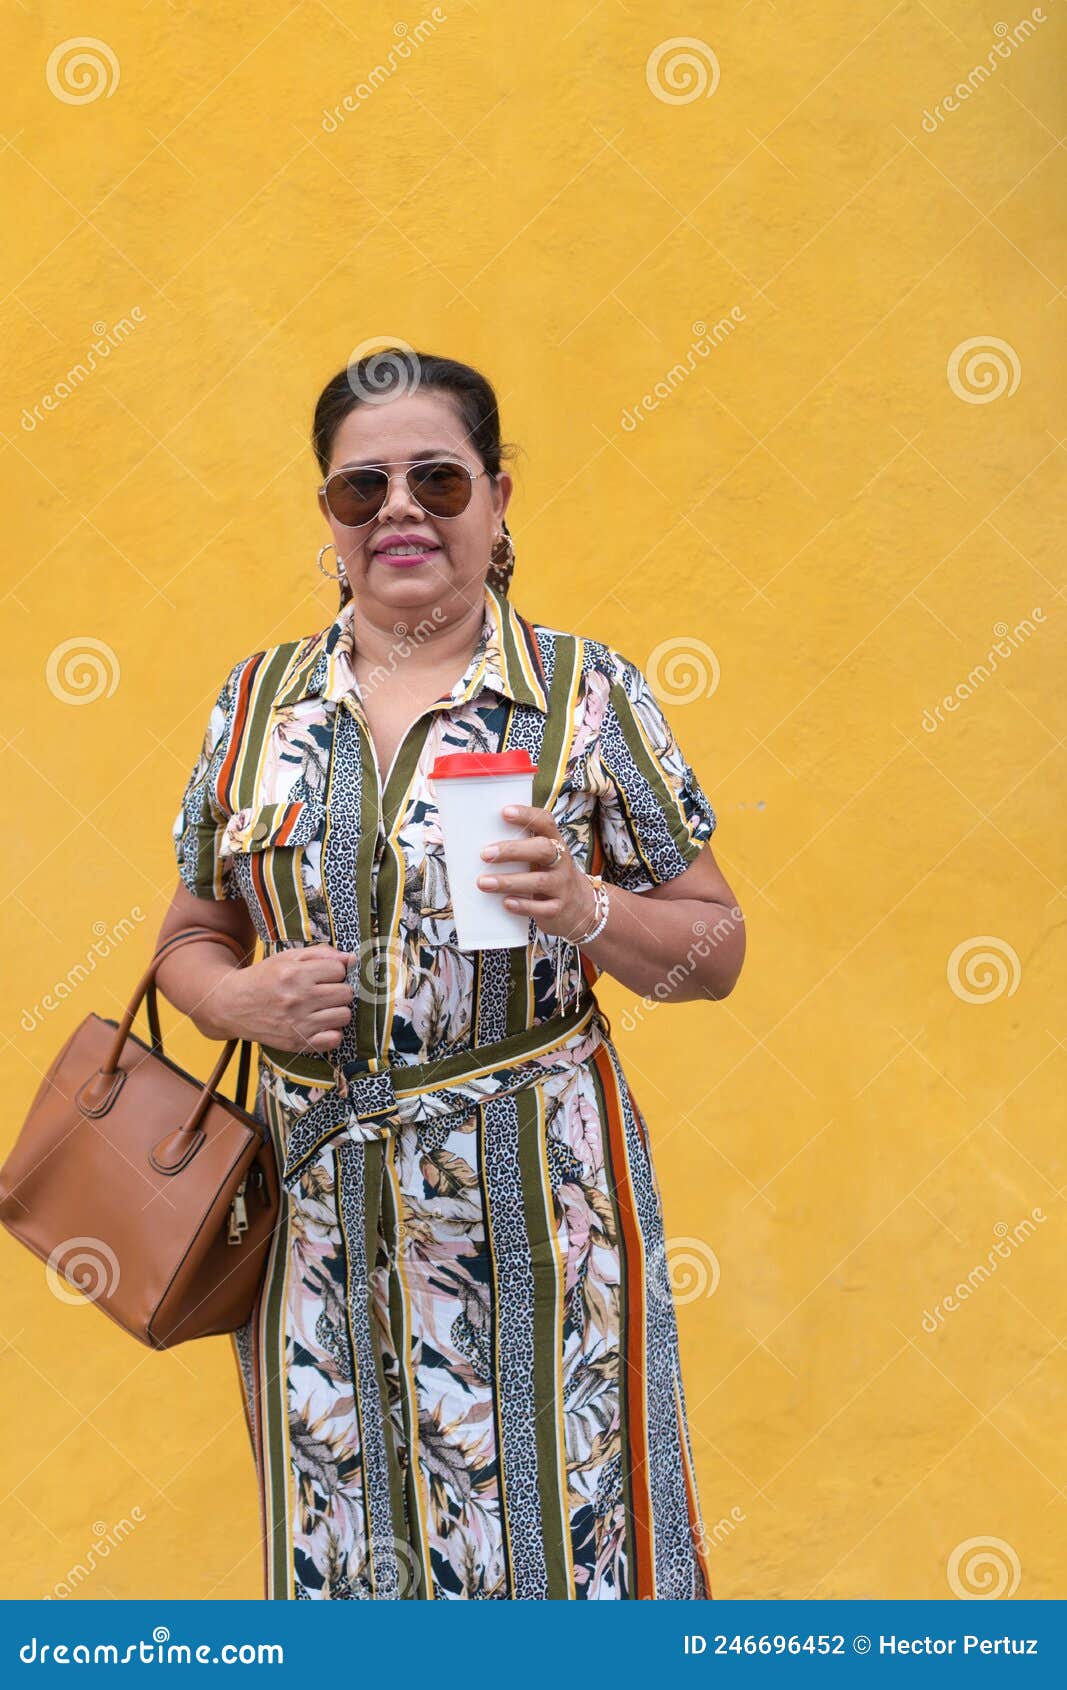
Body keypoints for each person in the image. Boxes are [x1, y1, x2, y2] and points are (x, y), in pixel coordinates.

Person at [157, 347, 746, 1601]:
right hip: (316, 1223)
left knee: (562, 1548)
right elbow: (187, 939)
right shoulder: (257, 705)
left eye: (437, 478)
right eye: (360, 491)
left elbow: (714, 948)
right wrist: (235, 1000)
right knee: (349, 1558)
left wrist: (588, 908)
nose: (400, 513)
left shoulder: (584, 700)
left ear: (497, 496)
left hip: (538, 1213)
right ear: (329, 518)